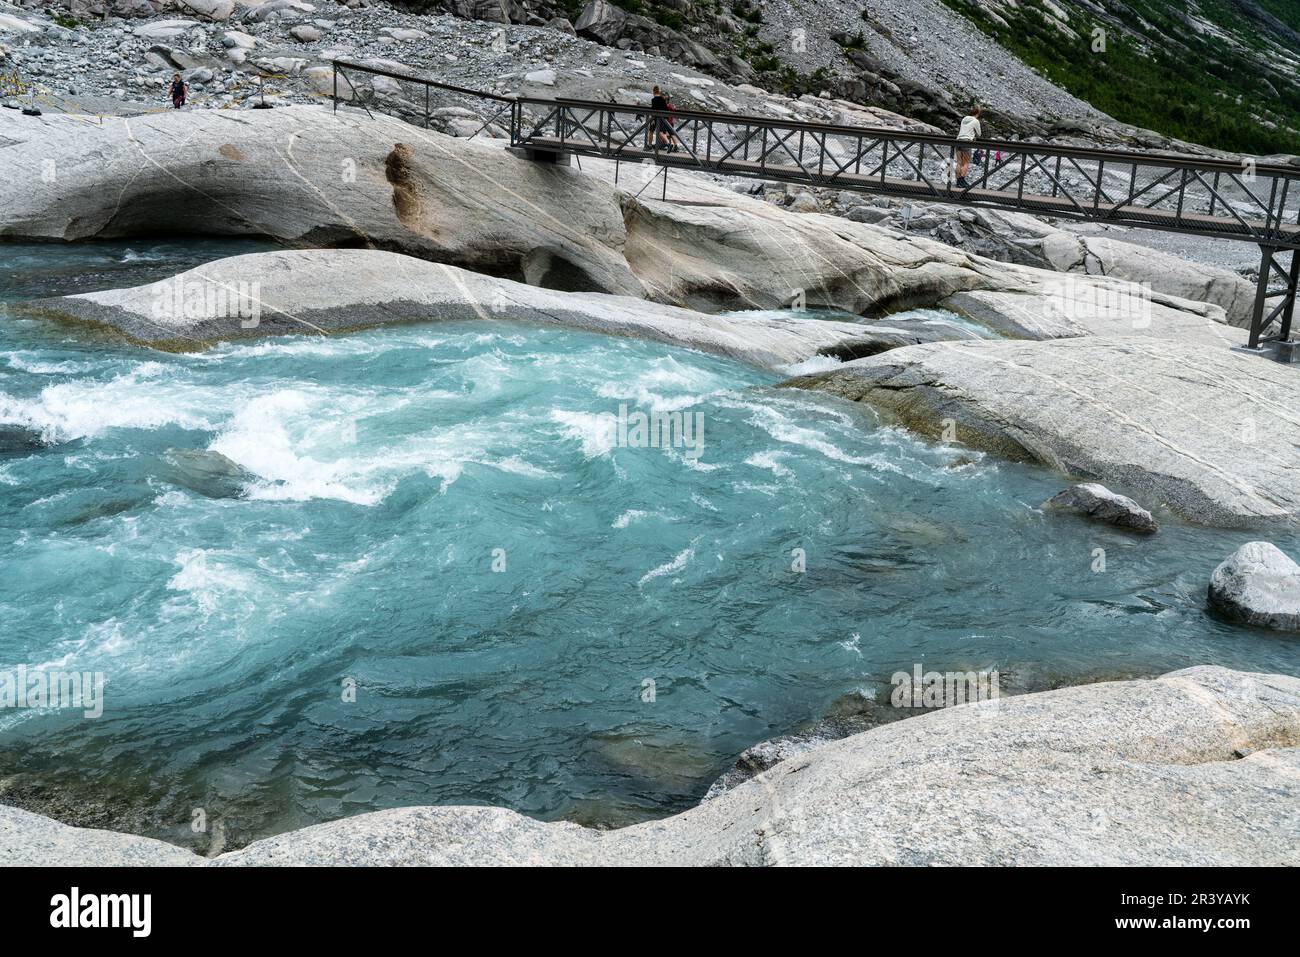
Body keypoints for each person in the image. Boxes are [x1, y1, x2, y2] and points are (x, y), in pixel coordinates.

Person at [954, 106, 981, 188]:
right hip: (966, 141)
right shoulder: (976, 121)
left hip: (958, 140)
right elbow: (979, 134)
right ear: (977, 113)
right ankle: (962, 181)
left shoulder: (964, 119)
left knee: (959, 162)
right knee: (966, 162)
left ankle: (958, 181)